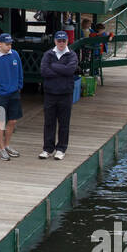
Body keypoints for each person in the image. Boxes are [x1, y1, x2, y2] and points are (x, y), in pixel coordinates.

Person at [39, 30, 79, 160]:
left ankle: (61, 148)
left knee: (64, 123)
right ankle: (47, 148)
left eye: (64, 41)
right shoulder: (48, 54)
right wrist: (62, 70)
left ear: (67, 41)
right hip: (50, 93)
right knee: (49, 122)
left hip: (65, 93)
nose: (61, 43)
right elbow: (44, 71)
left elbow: (70, 70)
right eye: (59, 40)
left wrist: (54, 66)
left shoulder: (72, 55)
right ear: (55, 41)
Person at [0, 33, 24, 162]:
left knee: (13, 121)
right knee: (0, 122)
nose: (9, 46)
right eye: (7, 44)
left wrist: (19, 86)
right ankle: (1, 148)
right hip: (0, 94)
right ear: (0, 44)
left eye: (10, 44)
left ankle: (7, 145)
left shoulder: (15, 54)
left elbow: (20, 72)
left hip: (14, 93)